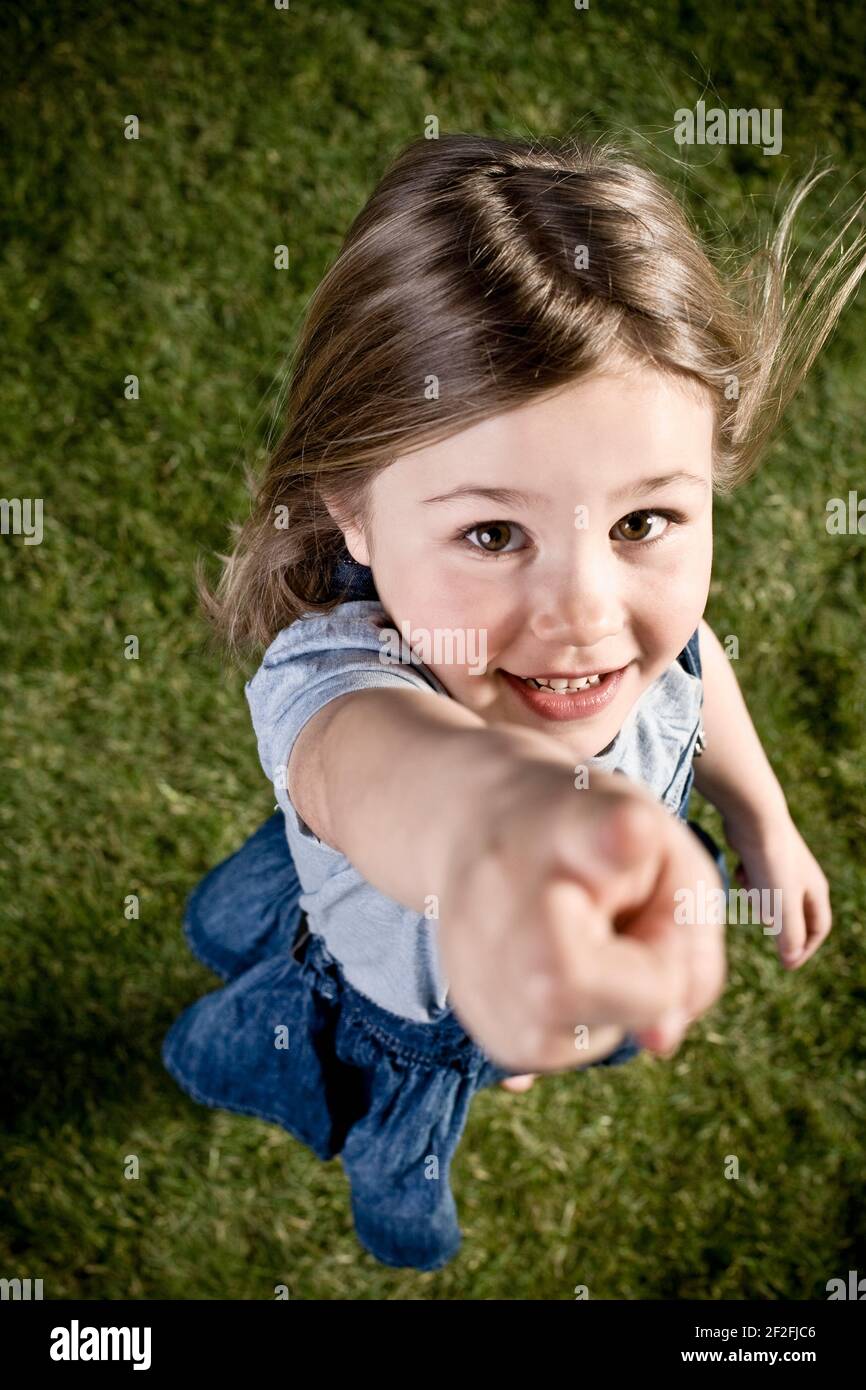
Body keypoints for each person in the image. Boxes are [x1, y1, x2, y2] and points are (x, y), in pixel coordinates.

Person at [162, 132, 851, 1271]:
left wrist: (760, 821)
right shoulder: (333, 686)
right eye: (491, 532)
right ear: (353, 510)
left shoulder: (649, 645)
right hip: (405, 1017)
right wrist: (504, 849)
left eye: (643, 522)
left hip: (544, 935)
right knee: (390, 1164)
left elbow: (694, 678)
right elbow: (409, 784)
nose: (585, 614)